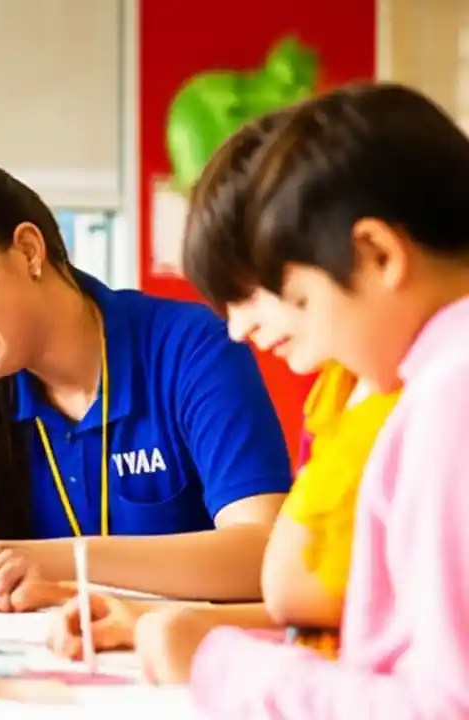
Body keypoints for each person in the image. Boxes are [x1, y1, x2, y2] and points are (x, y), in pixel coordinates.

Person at [160, 82, 469, 718]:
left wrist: (220, 664)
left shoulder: (448, 399)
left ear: (379, 254)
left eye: (298, 299)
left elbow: (442, 704)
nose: (312, 332)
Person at [47, 110, 399, 665]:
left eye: (264, 290)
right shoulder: (340, 390)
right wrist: (172, 621)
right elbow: (337, 610)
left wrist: (218, 663)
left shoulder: (431, 403)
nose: (239, 328)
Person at [0, 158, 292, 608]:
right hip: (45, 656)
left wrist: (63, 562)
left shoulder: (194, 348)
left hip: (180, 659)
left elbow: (263, 553)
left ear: (29, 251)